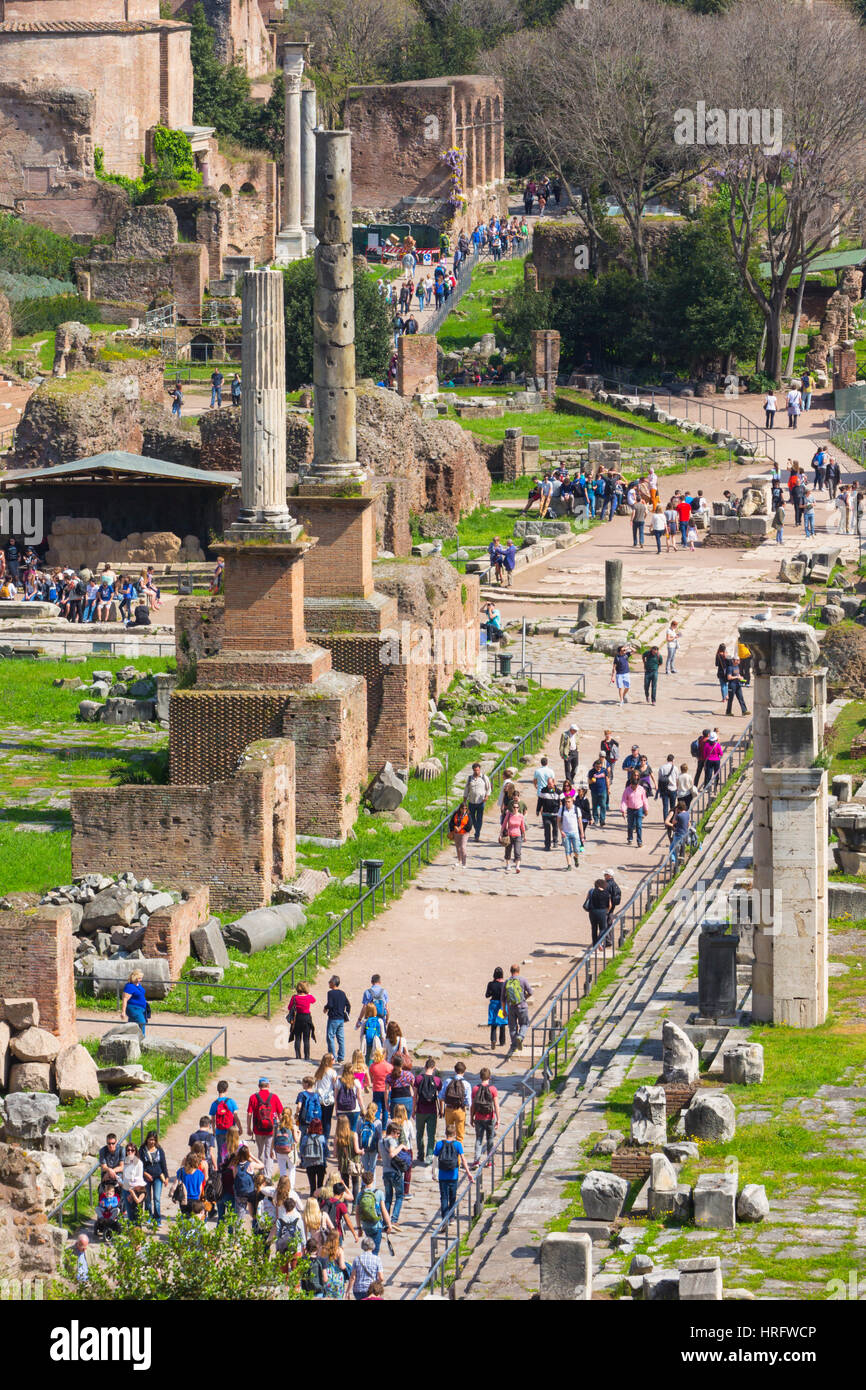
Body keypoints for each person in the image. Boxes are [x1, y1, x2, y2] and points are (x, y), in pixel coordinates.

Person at [433, 1124, 472, 1219]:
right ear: (455, 1133)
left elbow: (434, 1159)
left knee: (444, 1198)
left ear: (445, 1133)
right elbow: (463, 1159)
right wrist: (468, 1173)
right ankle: (451, 1217)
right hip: (453, 1175)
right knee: (452, 1197)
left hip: (442, 1175)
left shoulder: (439, 1144)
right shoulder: (458, 1144)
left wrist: (434, 1173)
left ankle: (444, 1218)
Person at [247, 1077, 283, 1169]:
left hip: (258, 1129)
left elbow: (249, 1113)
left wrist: (248, 1128)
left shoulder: (253, 1097)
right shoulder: (274, 1097)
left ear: (259, 1086)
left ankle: (261, 1173)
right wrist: (282, 1127)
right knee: (269, 1152)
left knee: (261, 1151)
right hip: (271, 1130)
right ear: (268, 1085)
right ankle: (268, 1175)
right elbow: (281, 1114)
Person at [355, 1171, 392, 1256]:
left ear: (363, 1181)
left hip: (365, 1225)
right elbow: (384, 1211)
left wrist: (359, 1228)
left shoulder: (360, 1194)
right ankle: (372, 1266)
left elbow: (357, 1213)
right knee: (375, 1249)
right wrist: (389, 1224)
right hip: (376, 1225)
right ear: (373, 1180)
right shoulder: (379, 1193)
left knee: (367, 1247)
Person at [470, 1067, 500, 1168]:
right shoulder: (493, 1089)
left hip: (478, 1117)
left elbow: (473, 1105)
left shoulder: (475, 1089)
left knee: (479, 1139)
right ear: (489, 1077)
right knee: (490, 1139)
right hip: (490, 1117)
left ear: (480, 1077)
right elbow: (496, 1105)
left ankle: (476, 1161)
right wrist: (498, 1119)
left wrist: (471, 1117)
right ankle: (490, 1161)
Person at [503, 963, 533, 1053]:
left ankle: (514, 1045)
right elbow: (530, 992)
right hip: (522, 1006)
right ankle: (520, 1036)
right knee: (524, 1024)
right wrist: (524, 998)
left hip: (511, 1007)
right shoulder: (523, 980)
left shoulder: (507, 982)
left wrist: (504, 1010)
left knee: (512, 1027)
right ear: (518, 971)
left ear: (510, 971)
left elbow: (502, 998)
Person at [139, 1130, 167, 1223]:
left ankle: (158, 1218)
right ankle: (148, 1217)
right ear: (147, 1139)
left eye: (154, 1140)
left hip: (158, 1177)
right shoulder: (142, 1149)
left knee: (156, 1199)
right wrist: (145, 1173)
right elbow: (139, 1164)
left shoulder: (159, 1150)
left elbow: (163, 1164)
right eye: (150, 1139)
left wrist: (166, 1177)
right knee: (147, 1199)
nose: (152, 1142)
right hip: (146, 1177)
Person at [335, 1114, 364, 1200]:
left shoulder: (337, 1137)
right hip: (354, 1162)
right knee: (355, 1182)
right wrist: (362, 1151)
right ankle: (355, 1204)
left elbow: (334, 1153)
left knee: (345, 1183)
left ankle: (345, 1203)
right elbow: (357, 1150)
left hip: (343, 1163)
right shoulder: (353, 1135)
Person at [323, 975, 351, 1065]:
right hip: (341, 1019)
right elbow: (348, 1005)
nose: (328, 983)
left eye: (330, 982)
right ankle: (341, 1057)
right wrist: (346, 1014)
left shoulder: (330, 993)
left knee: (330, 1037)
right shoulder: (342, 993)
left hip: (333, 1018)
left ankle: (332, 1057)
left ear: (333, 983)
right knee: (341, 1038)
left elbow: (330, 1004)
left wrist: (325, 1007)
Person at [347, 1235, 385, 1300]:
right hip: (371, 1290)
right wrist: (376, 1284)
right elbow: (381, 1278)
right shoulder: (377, 1259)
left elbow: (353, 1277)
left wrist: (348, 1291)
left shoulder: (357, 1259)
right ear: (373, 1246)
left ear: (362, 1246)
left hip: (358, 1290)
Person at [287, 980, 316, 1061]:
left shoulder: (294, 997)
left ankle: (298, 1056)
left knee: (298, 1038)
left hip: (297, 1018)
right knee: (306, 1039)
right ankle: (307, 1057)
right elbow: (314, 1000)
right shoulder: (308, 997)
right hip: (307, 1018)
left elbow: (289, 1008)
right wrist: (309, 993)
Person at [314, 1052, 338, 1145]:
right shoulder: (332, 1072)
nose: (334, 1060)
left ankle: (319, 1137)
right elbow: (335, 1085)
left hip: (320, 1098)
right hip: (329, 1099)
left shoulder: (320, 1070)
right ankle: (326, 1139)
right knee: (327, 1120)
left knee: (320, 1119)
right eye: (333, 1059)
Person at [464, 762, 492, 842]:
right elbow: (466, 790)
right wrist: (465, 801)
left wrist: (486, 796)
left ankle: (477, 834)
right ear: (473, 770)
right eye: (475, 770)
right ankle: (477, 829)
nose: (477, 772)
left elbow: (488, 788)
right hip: (472, 802)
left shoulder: (484, 777)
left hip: (481, 802)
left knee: (479, 818)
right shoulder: (470, 778)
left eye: (478, 770)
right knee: (472, 818)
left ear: (480, 770)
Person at [299, 1118, 328, 1196]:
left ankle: (312, 1201)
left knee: (312, 1186)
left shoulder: (306, 1138)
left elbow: (301, 1150)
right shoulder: (322, 1138)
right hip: (320, 1163)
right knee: (320, 1185)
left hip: (309, 1163)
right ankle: (320, 1202)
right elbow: (326, 1152)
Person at [621, 772, 649, 848]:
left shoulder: (641, 789)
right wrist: (623, 810)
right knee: (630, 825)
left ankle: (639, 841)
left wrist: (646, 809)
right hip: (630, 810)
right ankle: (630, 838)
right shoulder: (627, 790)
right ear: (631, 785)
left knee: (639, 825)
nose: (635, 788)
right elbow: (624, 800)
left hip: (639, 809)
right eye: (633, 786)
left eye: (636, 786)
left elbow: (644, 800)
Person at [121, 1142, 146, 1221]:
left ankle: (137, 1230)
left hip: (136, 1190)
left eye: (132, 1150)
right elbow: (125, 1176)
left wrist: (132, 1193)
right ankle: (131, 1231)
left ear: (135, 1151)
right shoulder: (125, 1161)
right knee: (129, 1213)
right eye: (128, 1150)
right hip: (126, 1189)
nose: (130, 1152)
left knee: (136, 1213)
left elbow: (139, 1179)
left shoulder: (139, 1163)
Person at [500, 797, 526, 874]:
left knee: (517, 851)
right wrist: (501, 833)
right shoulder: (509, 815)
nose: (515, 808)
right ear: (512, 808)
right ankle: (508, 865)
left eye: (517, 807)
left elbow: (522, 826)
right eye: (514, 807)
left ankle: (517, 866)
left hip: (518, 835)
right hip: (509, 835)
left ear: (519, 808)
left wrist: (524, 835)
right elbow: (504, 824)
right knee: (508, 851)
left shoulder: (521, 816)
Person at [120, 969, 149, 1037]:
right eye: (139, 978)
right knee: (141, 1022)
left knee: (131, 1025)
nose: (141, 979)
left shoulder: (138, 985)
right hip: (134, 1008)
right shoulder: (129, 987)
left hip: (141, 1008)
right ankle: (142, 1038)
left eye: (141, 978)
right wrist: (123, 1011)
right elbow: (125, 999)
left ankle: (129, 1037)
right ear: (134, 977)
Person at [559, 793, 584, 870]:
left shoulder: (577, 809)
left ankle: (576, 858)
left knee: (577, 850)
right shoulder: (562, 809)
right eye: (566, 802)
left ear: (572, 801)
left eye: (569, 801)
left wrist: (582, 833)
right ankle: (569, 865)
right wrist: (561, 831)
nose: (567, 803)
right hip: (565, 833)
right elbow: (558, 821)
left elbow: (580, 822)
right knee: (568, 850)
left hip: (575, 833)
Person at [584, 878, 611, 945]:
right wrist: (607, 911)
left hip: (592, 912)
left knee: (594, 928)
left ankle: (594, 946)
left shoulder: (591, 891)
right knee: (603, 928)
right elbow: (610, 905)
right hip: (602, 911)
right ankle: (599, 942)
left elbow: (587, 899)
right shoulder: (607, 893)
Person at [539, 775, 562, 851]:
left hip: (555, 814)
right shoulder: (543, 790)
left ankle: (555, 841)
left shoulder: (558, 791)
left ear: (553, 783)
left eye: (550, 783)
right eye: (548, 784)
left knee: (555, 828)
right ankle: (547, 845)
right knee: (547, 830)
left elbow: (564, 801)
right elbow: (540, 801)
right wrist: (538, 809)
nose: (549, 785)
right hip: (546, 814)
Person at [485, 968, 507, 1049]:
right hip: (501, 1005)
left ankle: (493, 1039)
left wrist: (492, 991)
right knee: (502, 1022)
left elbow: (487, 995)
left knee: (493, 1023)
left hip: (493, 1005)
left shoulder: (490, 984)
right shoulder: (504, 984)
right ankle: (502, 1041)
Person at [588, 755, 611, 827]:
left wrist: (608, 789)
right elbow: (588, 781)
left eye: (600, 767)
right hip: (594, 791)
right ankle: (596, 819)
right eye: (597, 767)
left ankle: (602, 820)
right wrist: (592, 780)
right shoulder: (591, 772)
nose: (598, 768)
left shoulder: (604, 771)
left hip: (603, 790)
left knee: (603, 805)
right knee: (594, 806)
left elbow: (607, 779)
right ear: (594, 766)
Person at [667, 799, 691, 865]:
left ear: (678, 808)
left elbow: (673, 822)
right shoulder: (687, 814)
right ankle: (681, 861)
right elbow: (689, 824)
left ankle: (673, 861)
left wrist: (676, 814)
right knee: (681, 847)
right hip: (685, 833)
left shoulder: (679, 816)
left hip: (678, 834)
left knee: (672, 848)